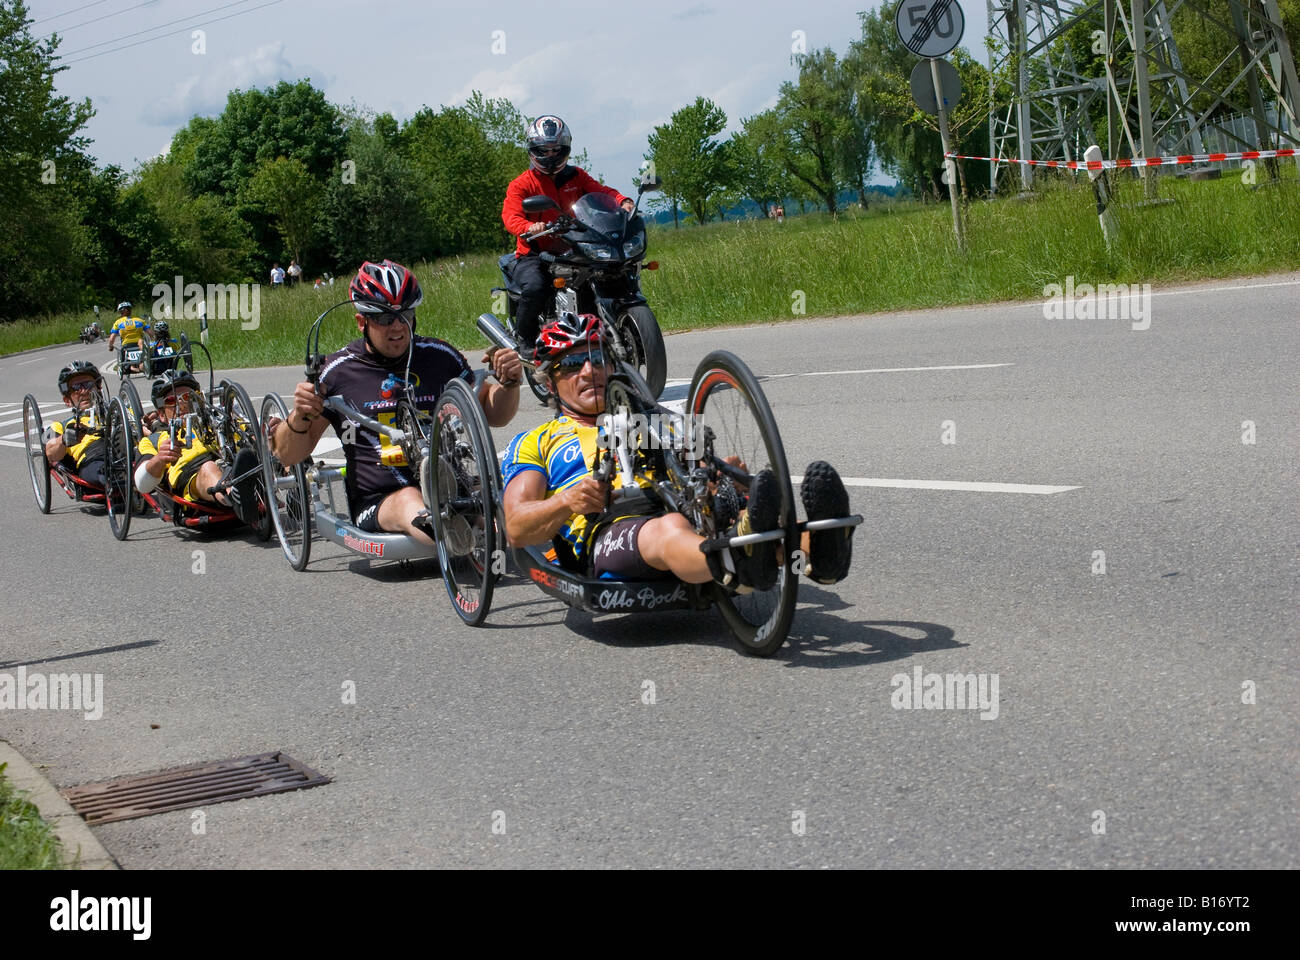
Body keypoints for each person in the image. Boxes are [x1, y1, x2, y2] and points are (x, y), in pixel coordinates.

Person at [501, 314, 853, 589]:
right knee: (667, 528)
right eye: (573, 364)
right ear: (550, 382)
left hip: (683, 505)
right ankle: (736, 559)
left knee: (748, 500)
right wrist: (567, 501)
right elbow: (516, 527)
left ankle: (820, 549)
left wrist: (723, 475)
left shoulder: (651, 418)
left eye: (598, 359)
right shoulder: (537, 440)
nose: (590, 371)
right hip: (609, 531)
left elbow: (699, 462)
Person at [268, 259, 523, 544]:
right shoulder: (337, 371)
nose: (398, 327)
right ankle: (457, 532)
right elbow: (288, 456)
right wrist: (300, 415)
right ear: (361, 321)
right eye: (384, 318)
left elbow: (493, 413)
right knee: (408, 499)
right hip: (381, 499)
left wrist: (509, 382)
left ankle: (472, 524)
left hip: (453, 487)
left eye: (406, 314)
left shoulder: (440, 356)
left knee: (508, 495)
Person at [500, 115, 636, 353]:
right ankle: (526, 341)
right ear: (533, 150)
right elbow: (510, 216)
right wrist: (527, 227)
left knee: (608, 272)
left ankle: (613, 324)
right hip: (535, 252)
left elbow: (601, 191)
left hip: (573, 245)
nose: (551, 155)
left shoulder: (576, 176)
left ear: (565, 149)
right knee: (534, 287)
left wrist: (621, 201)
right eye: (545, 150)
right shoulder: (522, 184)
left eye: (556, 149)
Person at [133, 370, 260, 521]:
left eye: (187, 396)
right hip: (194, 475)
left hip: (236, 462)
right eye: (172, 400)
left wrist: (267, 434)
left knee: (271, 437)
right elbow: (142, 484)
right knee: (208, 468)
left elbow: (254, 435)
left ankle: (293, 488)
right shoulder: (156, 439)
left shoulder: (220, 422)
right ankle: (235, 496)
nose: (182, 403)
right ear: (161, 414)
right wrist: (159, 459)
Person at [44, 362, 110, 489]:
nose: (84, 391)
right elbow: (50, 453)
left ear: (99, 389)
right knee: (101, 470)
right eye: (76, 387)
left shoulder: (121, 411)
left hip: (126, 449)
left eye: (89, 385)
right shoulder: (61, 426)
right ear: (67, 400)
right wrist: (64, 439)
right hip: (94, 457)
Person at [107, 301, 150, 373]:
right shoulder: (140, 320)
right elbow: (151, 333)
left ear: (121, 312)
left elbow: (111, 339)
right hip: (139, 344)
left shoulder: (118, 322)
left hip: (126, 345)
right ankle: (142, 362)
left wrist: (110, 346)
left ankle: (132, 366)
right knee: (142, 345)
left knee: (123, 353)